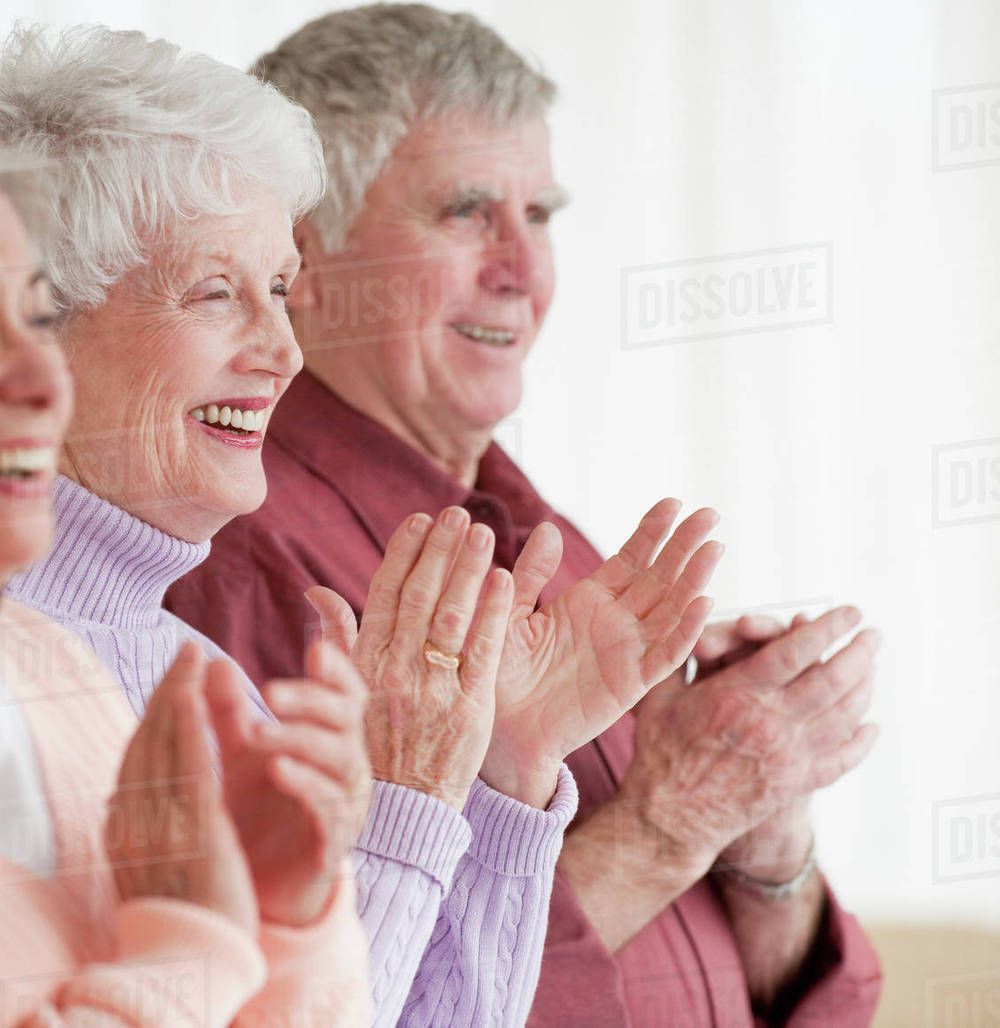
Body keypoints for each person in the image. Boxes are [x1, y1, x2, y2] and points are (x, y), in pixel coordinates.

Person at [0, 24, 727, 1026]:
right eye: (218, 291)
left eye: (277, 289)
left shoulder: (192, 669)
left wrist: (506, 770)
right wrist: (408, 802)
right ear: (35, 325)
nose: (282, 351)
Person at [166, 5, 884, 1025]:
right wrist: (675, 817)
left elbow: (820, 1003)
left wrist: (765, 831)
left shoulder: (549, 539)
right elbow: (349, 1003)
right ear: (305, 255)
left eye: (540, 214)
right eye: (465, 211)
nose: (523, 268)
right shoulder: (246, 558)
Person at [0, 97, 371, 1026]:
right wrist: (190, 940)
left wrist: (285, 910)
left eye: (35, 316)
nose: (40, 380)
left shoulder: (46, 666)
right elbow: (193, 963)